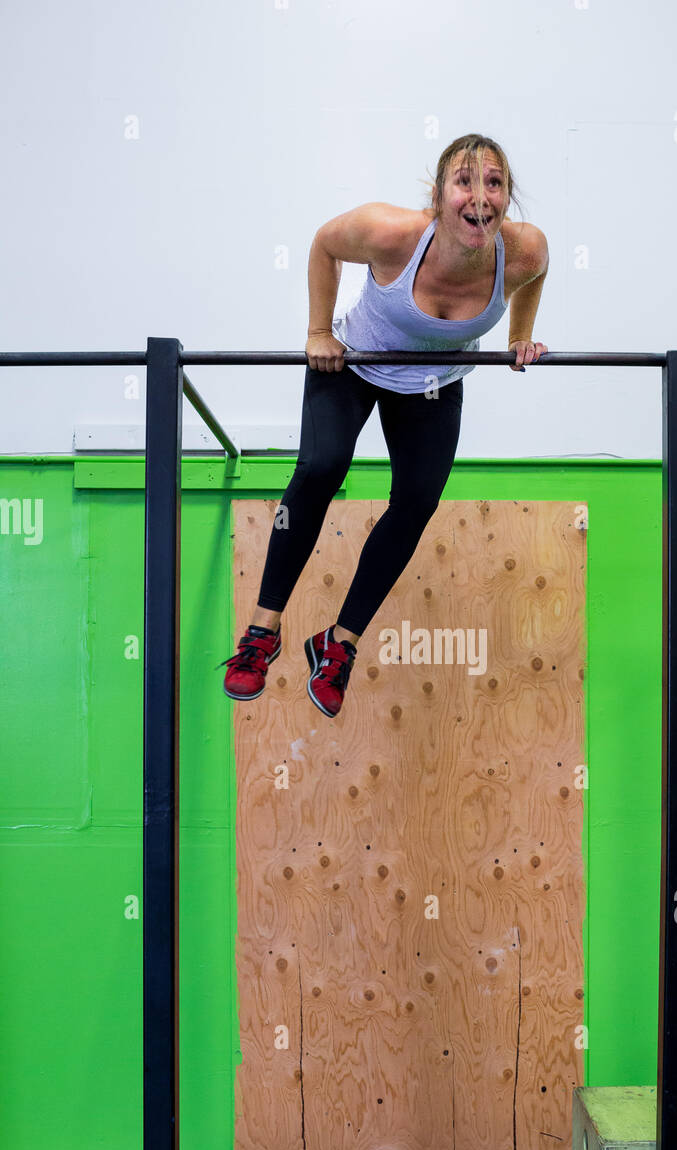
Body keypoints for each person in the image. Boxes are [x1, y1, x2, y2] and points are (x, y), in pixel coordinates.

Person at [220, 133, 549, 716]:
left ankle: (338, 645)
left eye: (494, 183)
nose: (480, 197)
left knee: (417, 502)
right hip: (355, 362)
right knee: (321, 469)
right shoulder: (390, 232)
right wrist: (318, 332)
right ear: (437, 195)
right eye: (465, 182)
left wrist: (520, 335)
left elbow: (535, 276)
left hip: (433, 383)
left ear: (507, 197)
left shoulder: (524, 250)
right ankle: (262, 632)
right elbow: (325, 244)